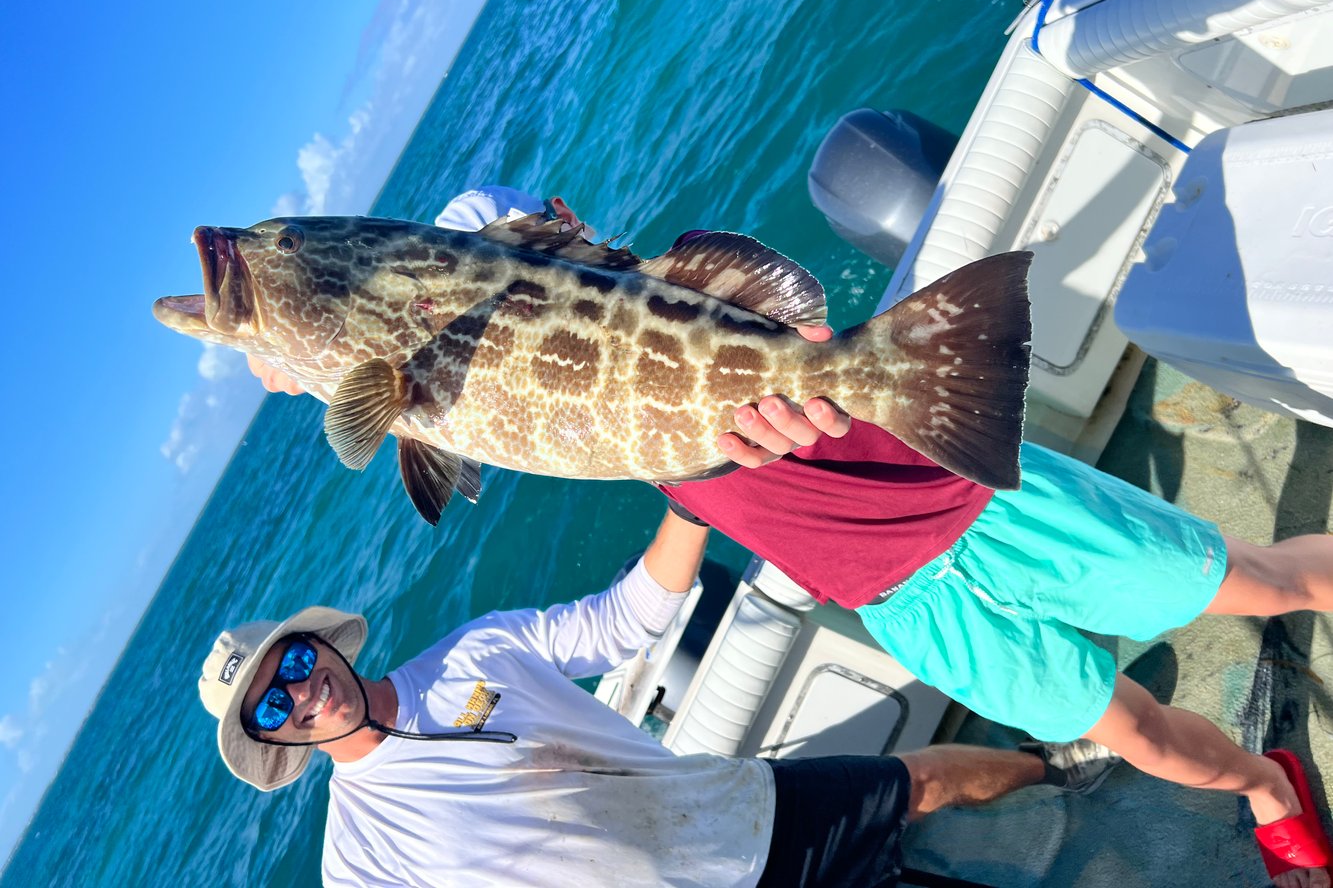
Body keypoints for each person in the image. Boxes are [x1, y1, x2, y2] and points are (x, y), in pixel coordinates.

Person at [251, 186, 1333, 886]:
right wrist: (293, 351)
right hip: (906, 601)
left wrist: (821, 375)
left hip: (977, 505)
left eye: (542, 244)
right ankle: (1266, 786)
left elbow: (803, 332)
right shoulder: (558, 401)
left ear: (568, 228)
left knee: (1262, 581)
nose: (534, 284)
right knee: (1137, 735)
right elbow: (370, 377)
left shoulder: (692, 307)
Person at [201, 481, 1113, 887]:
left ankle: (1057, 766)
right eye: (275, 704)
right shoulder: (355, 856)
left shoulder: (473, 652)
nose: (302, 691)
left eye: (293, 663)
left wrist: (691, 498)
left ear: (318, 646)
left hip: (743, 812)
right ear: (274, 740)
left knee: (926, 782)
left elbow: (621, 621)